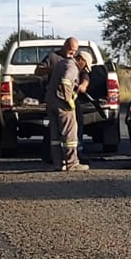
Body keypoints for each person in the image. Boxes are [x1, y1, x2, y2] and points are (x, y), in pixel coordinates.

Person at [44, 37, 88, 171]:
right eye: (85, 66)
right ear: (82, 61)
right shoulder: (72, 66)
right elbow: (66, 81)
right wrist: (69, 100)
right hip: (61, 103)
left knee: (55, 135)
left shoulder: (60, 64)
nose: (84, 68)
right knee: (70, 134)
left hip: (51, 102)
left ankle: (58, 163)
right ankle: (72, 163)